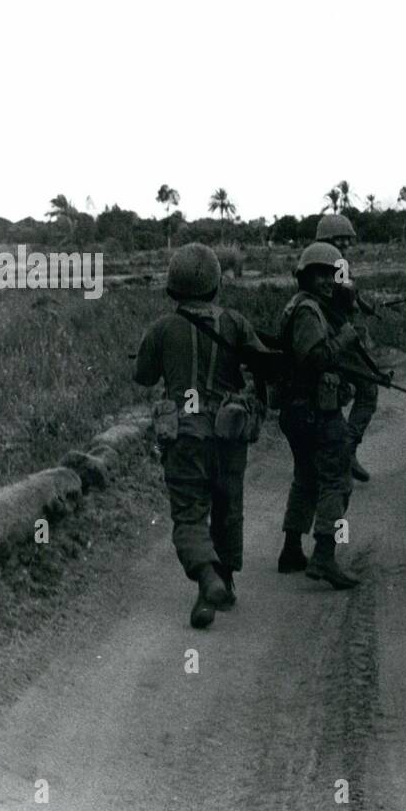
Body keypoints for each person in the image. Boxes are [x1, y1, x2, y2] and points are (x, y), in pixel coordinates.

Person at [133, 243, 269, 628]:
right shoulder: (237, 323)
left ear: (173, 287)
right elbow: (261, 365)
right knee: (228, 511)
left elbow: (142, 376)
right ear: (216, 283)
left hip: (185, 435)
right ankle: (216, 586)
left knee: (190, 515)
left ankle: (207, 579)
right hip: (229, 432)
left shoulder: (162, 328)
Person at [273, 242, 364, 590]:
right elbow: (313, 358)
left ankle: (292, 550)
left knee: (306, 478)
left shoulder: (299, 306)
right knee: (337, 481)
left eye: (331, 274)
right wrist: (343, 340)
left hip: (297, 411)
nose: (327, 281)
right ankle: (325, 556)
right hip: (315, 411)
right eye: (319, 274)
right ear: (305, 276)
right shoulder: (309, 311)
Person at [315, 212, 374, 482]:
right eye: (343, 241)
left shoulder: (312, 265)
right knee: (368, 389)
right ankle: (346, 450)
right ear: (331, 241)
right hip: (338, 338)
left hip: (319, 338)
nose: (347, 247)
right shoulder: (337, 265)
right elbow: (346, 295)